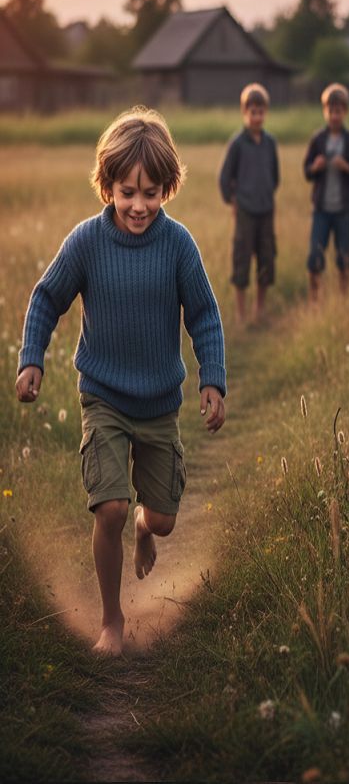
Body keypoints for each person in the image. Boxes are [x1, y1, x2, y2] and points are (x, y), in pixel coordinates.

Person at [15, 106, 226, 657]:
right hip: (103, 396)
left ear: (167, 189)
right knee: (107, 507)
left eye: (150, 193)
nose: (138, 205)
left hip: (159, 404)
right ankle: (112, 620)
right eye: (127, 192)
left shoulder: (178, 244)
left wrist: (213, 379)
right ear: (106, 185)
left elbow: (204, 314)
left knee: (164, 520)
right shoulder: (86, 242)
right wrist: (32, 358)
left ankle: (143, 526)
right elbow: (47, 297)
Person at [219, 82, 280, 325]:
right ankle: (241, 314)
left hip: (266, 209)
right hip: (244, 210)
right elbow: (224, 178)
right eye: (252, 112)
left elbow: (275, 177)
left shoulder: (270, 143)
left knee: (267, 257)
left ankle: (259, 310)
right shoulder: (237, 144)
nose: (257, 117)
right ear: (245, 112)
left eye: (261, 112)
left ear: (266, 113)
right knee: (242, 259)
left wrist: (266, 195)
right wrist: (232, 201)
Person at [303, 82, 349, 302]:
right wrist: (315, 167)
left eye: (338, 111)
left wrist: (347, 167)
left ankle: (344, 298)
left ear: (345, 112)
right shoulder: (318, 140)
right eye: (330, 111)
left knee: (344, 256)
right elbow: (306, 171)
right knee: (315, 256)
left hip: (343, 210)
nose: (334, 116)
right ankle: (314, 299)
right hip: (321, 209)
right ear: (325, 111)